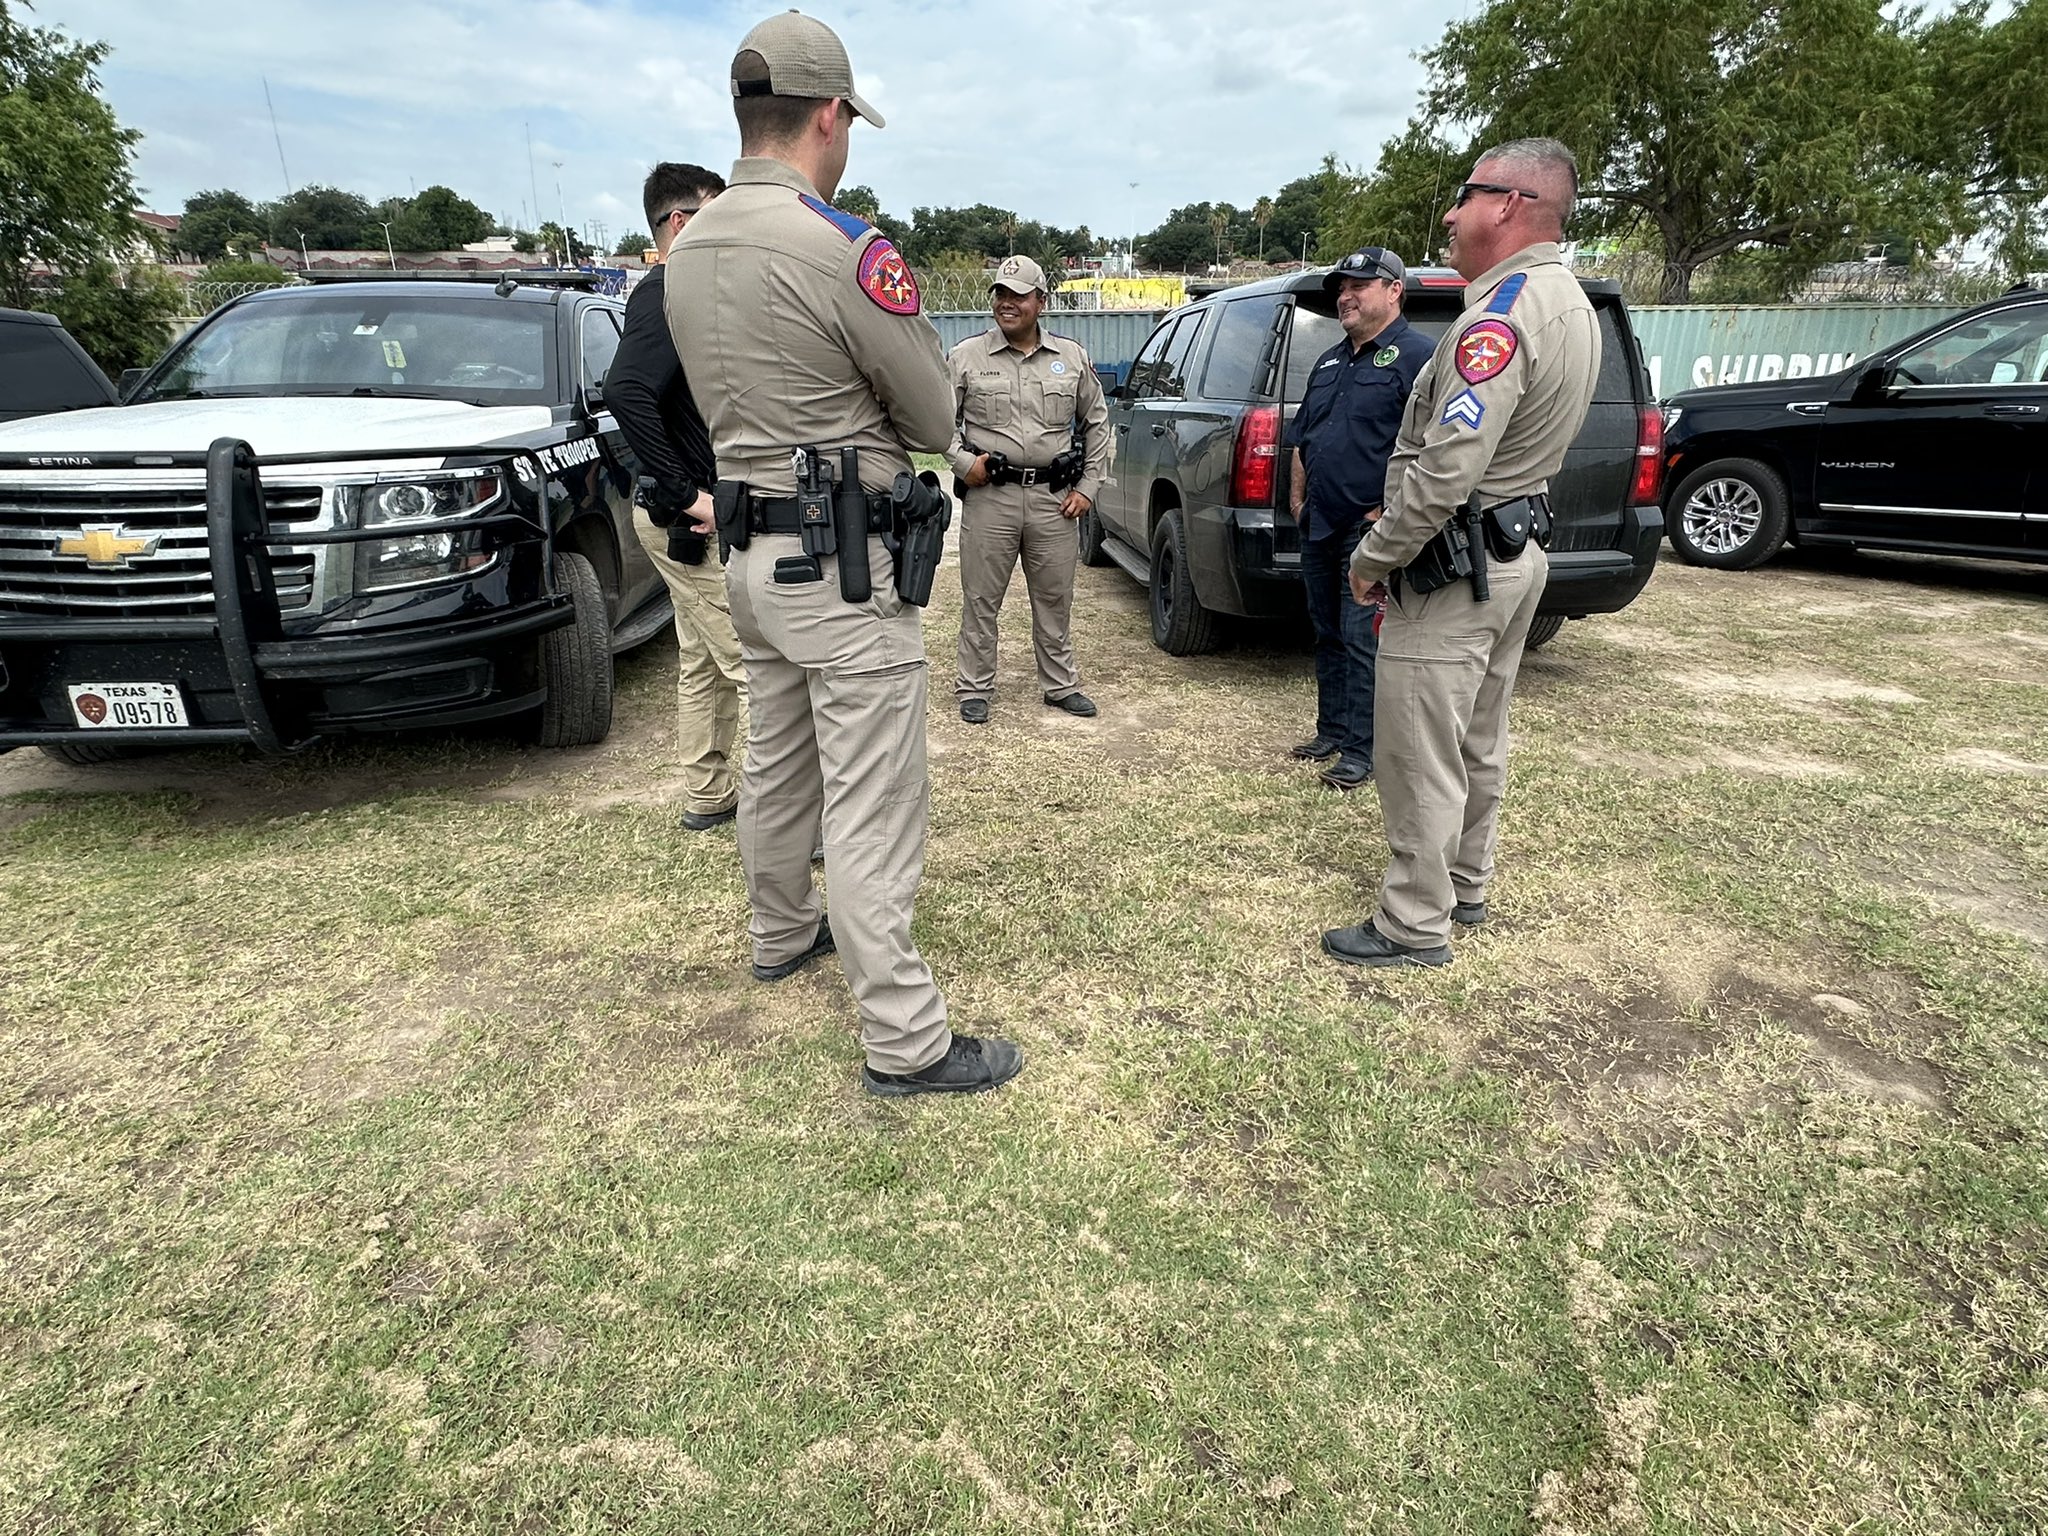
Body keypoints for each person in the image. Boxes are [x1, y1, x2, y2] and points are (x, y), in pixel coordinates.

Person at [664, 9, 1022, 1096]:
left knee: (777, 763)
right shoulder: (839, 248)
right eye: (848, 120)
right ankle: (904, 1039)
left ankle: (780, 931)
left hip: (752, 555)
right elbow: (925, 408)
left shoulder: (691, 245)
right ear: (829, 115)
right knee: (870, 797)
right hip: (840, 565)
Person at [1321, 138, 1600, 968]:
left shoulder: (1502, 314)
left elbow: (1447, 467)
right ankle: (1465, 883)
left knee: (1419, 748)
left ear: (1510, 204)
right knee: (1479, 735)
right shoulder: (1566, 299)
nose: (1449, 213)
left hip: (1455, 565)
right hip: (1511, 555)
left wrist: (1374, 558)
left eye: (1464, 195)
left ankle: (1414, 920)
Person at [605, 161, 747, 832]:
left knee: (702, 661)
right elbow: (625, 391)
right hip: (683, 517)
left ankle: (708, 793)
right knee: (753, 663)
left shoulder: (680, 292)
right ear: (681, 223)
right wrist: (690, 494)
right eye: (718, 218)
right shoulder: (662, 293)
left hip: (677, 513)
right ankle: (794, 820)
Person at [1283, 247, 1430, 790]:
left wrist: (1391, 514)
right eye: (1341, 287)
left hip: (1369, 528)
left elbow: (1433, 449)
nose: (1345, 295)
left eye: (1359, 285)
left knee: (1360, 635)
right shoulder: (1329, 360)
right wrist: (1298, 501)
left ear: (1394, 290)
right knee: (1325, 631)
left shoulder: (1419, 357)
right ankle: (1332, 729)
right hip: (1319, 520)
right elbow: (1303, 439)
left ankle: (1362, 750)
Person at [947, 254, 1110, 725]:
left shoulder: (1071, 358)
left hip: (1053, 501)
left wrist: (1088, 486)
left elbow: (1097, 423)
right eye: (1001, 293)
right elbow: (937, 423)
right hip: (990, 495)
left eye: (1018, 295)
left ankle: (1060, 685)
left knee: (1055, 598)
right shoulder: (966, 357)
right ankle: (974, 686)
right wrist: (962, 463)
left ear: (1041, 301)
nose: (1007, 303)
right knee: (980, 598)